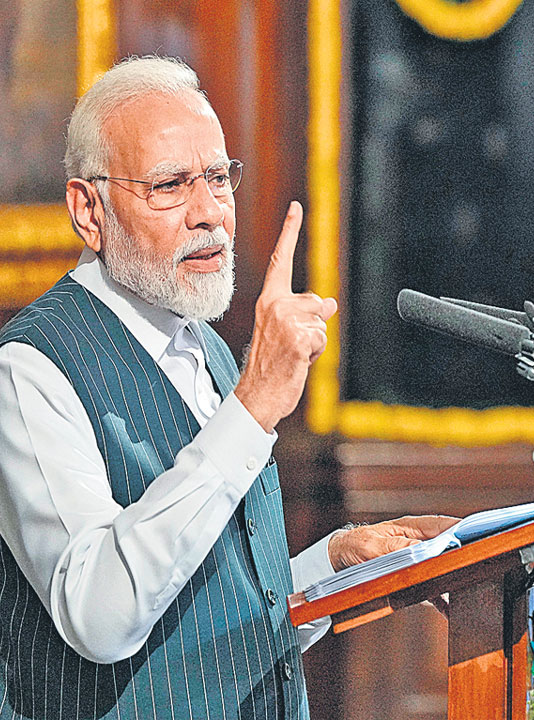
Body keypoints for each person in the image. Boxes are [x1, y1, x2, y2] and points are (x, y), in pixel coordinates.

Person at [0, 56, 458, 718]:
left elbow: (213, 624)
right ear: (88, 210)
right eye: (169, 186)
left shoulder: (205, 346)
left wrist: (335, 561)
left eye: (218, 178)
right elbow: (99, 617)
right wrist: (252, 409)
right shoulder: (30, 370)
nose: (209, 213)